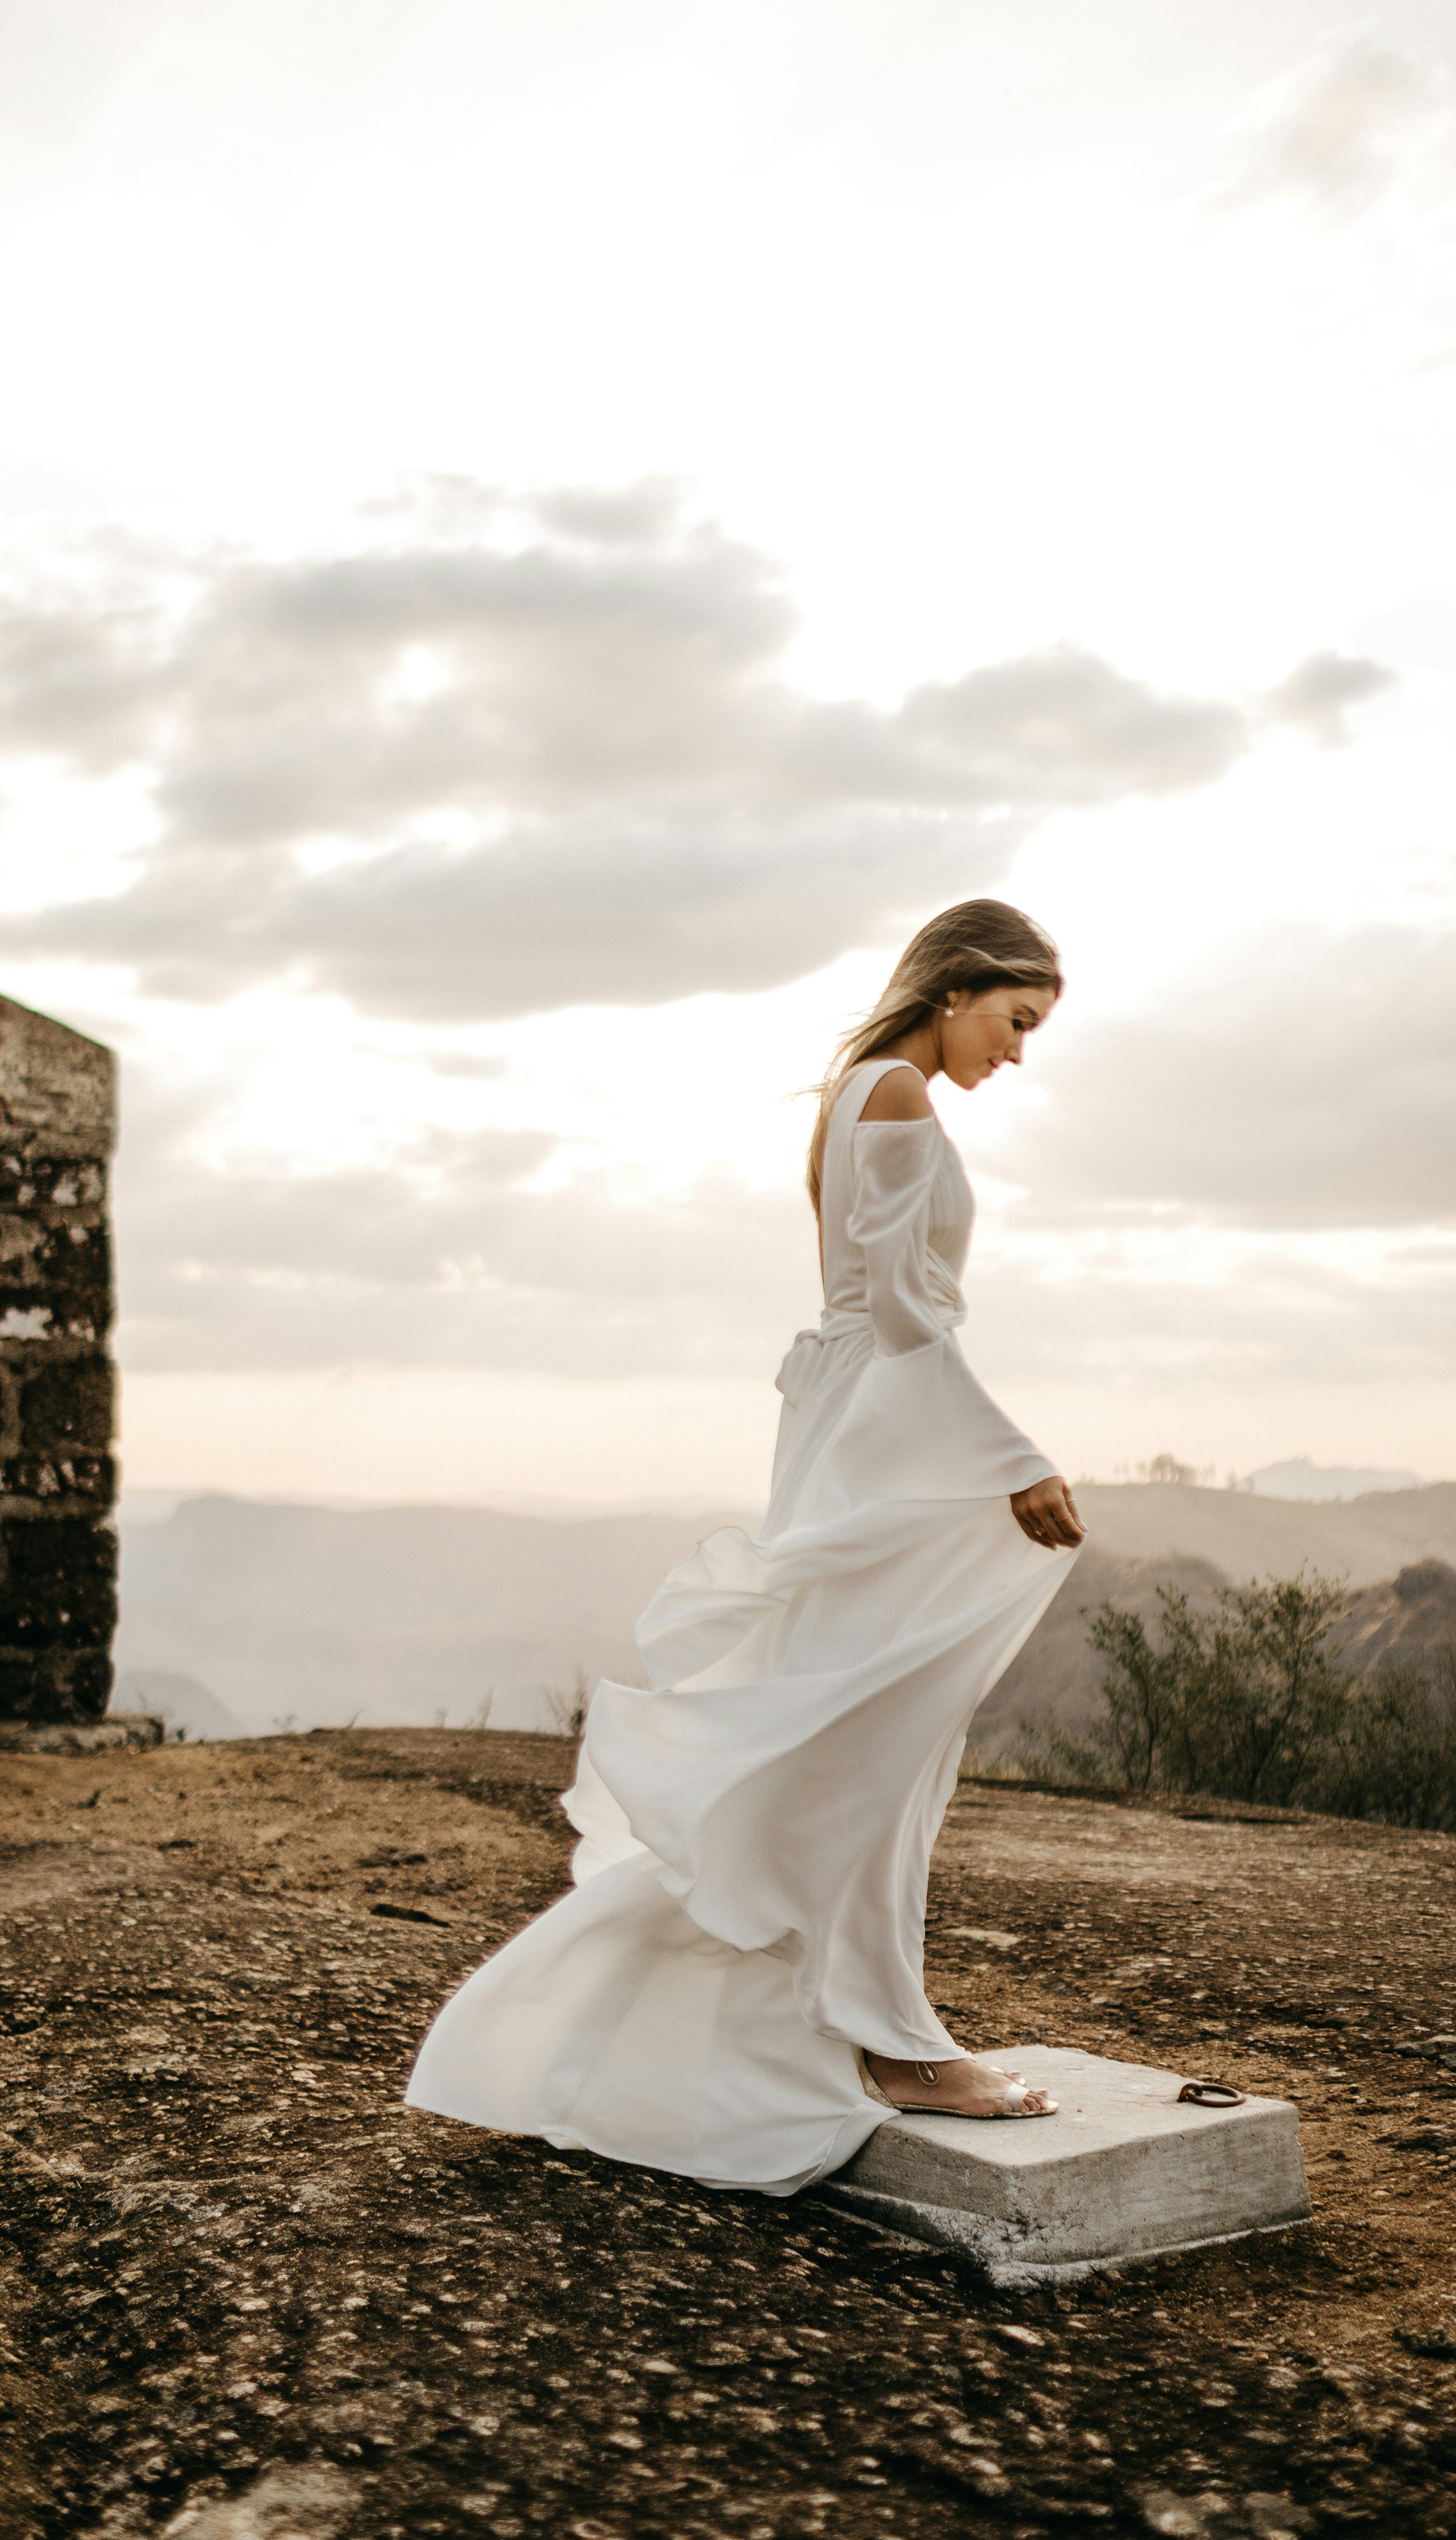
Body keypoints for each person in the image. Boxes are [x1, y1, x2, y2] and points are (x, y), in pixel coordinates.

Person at [406, 899, 1086, 2195]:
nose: (1018, 1054)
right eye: (1016, 1020)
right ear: (956, 989)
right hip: (888, 1433)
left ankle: (861, 2023)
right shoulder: (894, 1095)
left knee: (866, 1731)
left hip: (872, 1428)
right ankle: (893, 2044)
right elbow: (896, 1311)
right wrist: (1015, 1462)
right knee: (876, 1736)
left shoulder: (866, 1087)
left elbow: (883, 1316)